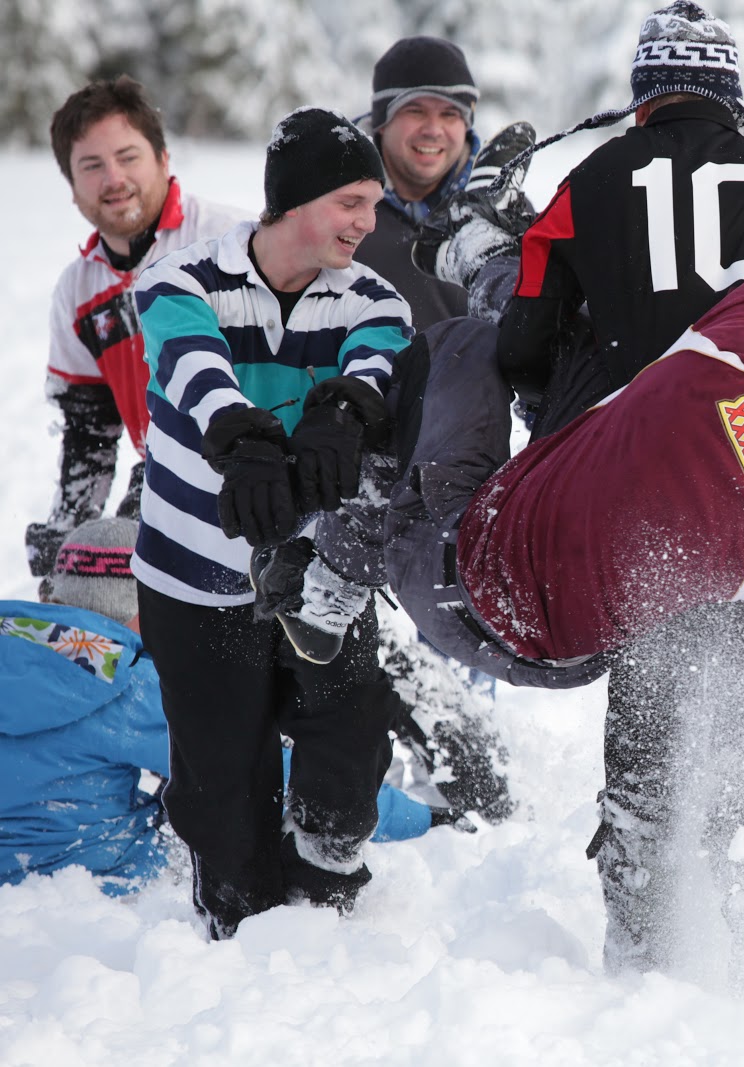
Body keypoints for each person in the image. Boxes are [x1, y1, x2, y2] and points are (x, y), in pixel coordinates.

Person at [385, 256, 744, 987]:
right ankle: (701, 946)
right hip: (547, 648)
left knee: (464, 341)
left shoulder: (723, 352)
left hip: (456, 559)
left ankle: (330, 541)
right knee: (700, 647)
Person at [131, 107, 412, 939]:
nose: (367, 222)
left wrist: (346, 409)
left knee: (349, 738)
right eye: (351, 202)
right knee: (222, 785)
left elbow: (376, 361)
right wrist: (240, 436)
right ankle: (238, 918)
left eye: (374, 205)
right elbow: (194, 365)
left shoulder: (373, 297)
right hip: (192, 571)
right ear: (291, 201)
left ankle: (324, 888)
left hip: (315, 571)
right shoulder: (178, 281)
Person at [1, 519, 459, 898]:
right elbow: (265, 770)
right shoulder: (121, 685)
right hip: (88, 874)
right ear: (139, 605)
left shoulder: (16, 652)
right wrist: (417, 818)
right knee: (216, 817)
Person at [30, 77, 248, 578]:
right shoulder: (78, 292)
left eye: (128, 157)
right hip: (161, 477)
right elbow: (89, 430)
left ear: (163, 159)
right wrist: (68, 530)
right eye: (92, 166)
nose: (114, 178)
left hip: (251, 471)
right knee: (87, 570)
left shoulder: (228, 244)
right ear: (72, 186)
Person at [357, 36, 538, 330]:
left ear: (466, 125)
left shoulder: (505, 212)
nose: (433, 129)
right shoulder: (339, 207)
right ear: (381, 121)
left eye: (449, 114)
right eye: (415, 111)